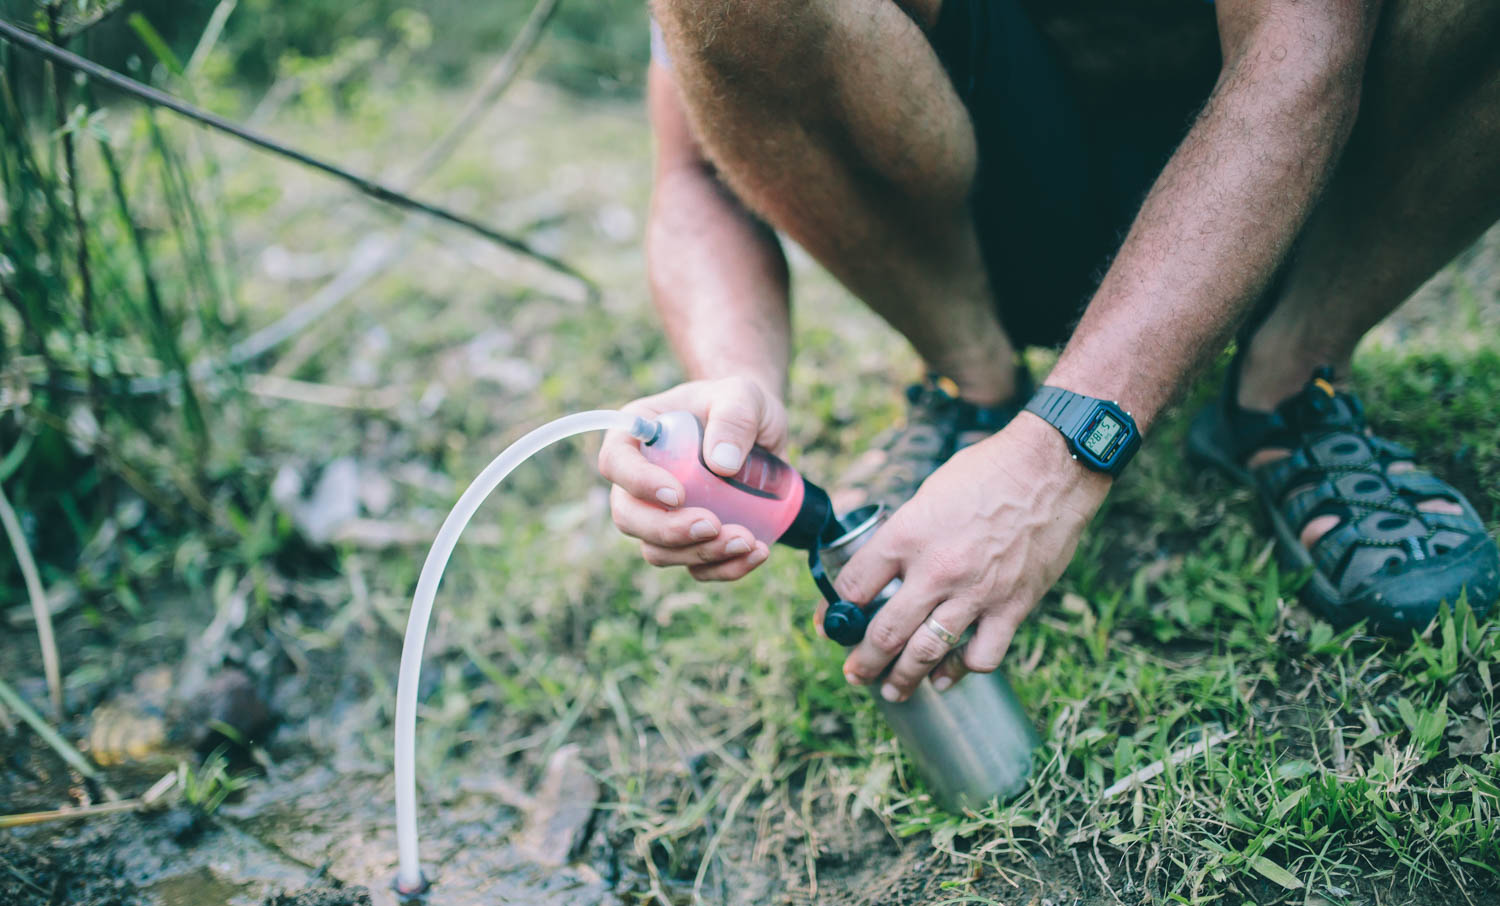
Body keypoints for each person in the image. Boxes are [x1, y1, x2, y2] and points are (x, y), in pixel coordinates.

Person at [597, 0, 1500, 705]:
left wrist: (1058, 452)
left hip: (1305, 183)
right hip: (986, 199)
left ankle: (1291, 381)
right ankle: (971, 379)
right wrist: (734, 378)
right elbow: (693, 171)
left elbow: (1306, 49)